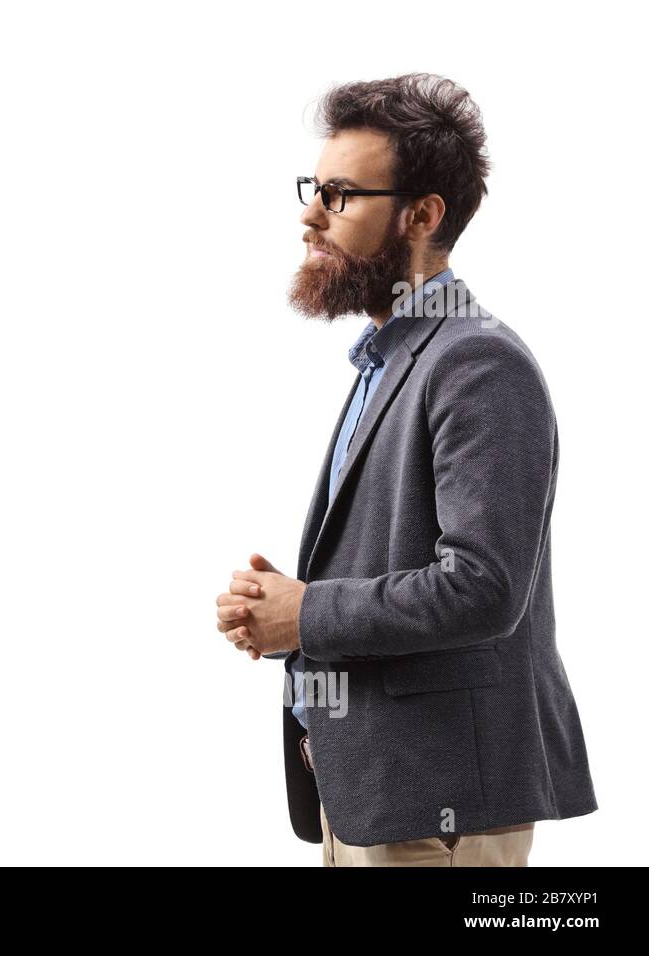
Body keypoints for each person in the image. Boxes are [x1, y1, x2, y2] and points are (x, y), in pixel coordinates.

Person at [214, 73, 596, 866]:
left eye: (341, 195)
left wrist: (310, 613)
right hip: (374, 797)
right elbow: (400, 567)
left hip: (438, 811)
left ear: (421, 216)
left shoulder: (477, 361)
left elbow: (483, 589)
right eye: (313, 189)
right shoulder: (390, 362)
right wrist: (282, 613)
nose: (309, 215)